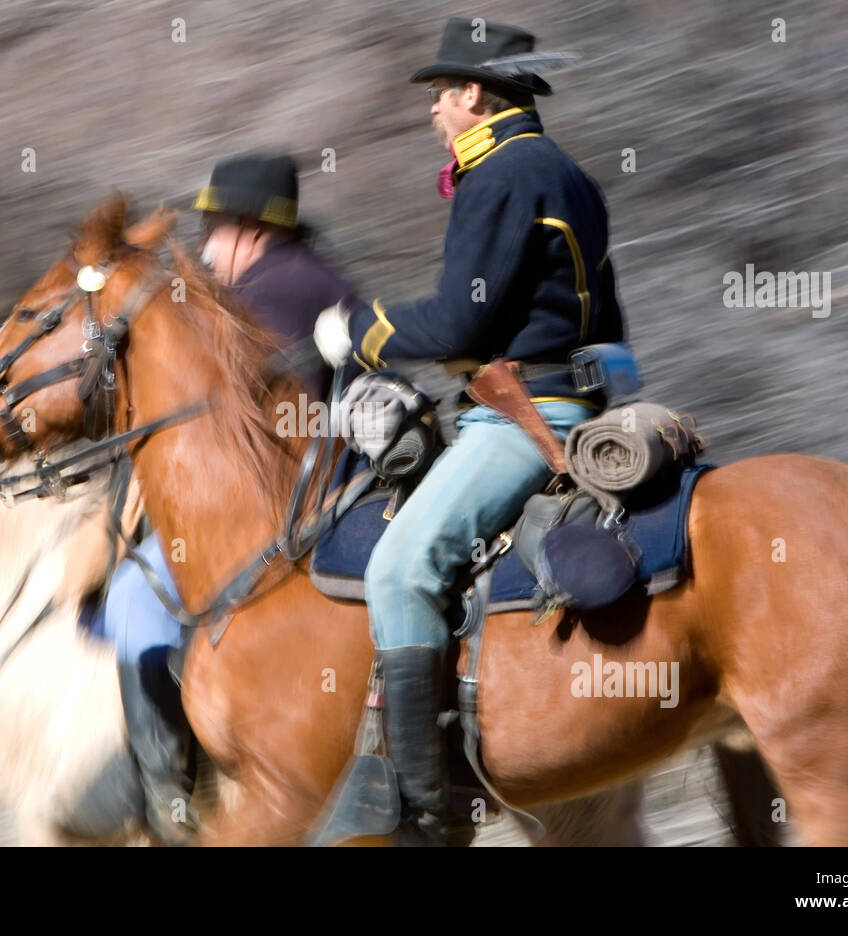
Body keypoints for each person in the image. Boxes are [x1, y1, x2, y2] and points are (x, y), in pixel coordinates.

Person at [313, 16, 626, 842]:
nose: (433, 112)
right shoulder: (567, 173)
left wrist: (363, 330)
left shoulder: (503, 173)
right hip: (581, 398)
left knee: (399, 568)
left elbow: (459, 326)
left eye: (441, 94)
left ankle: (427, 813)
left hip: (522, 416)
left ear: (475, 94)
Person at [97, 153, 354, 843]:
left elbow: (241, 436)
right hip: (333, 489)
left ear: (249, 229)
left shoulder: (269, 293)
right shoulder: (316, 274)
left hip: (291, 507)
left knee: (131, 594)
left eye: (213, 231)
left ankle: (166, 794)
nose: (207, 250)